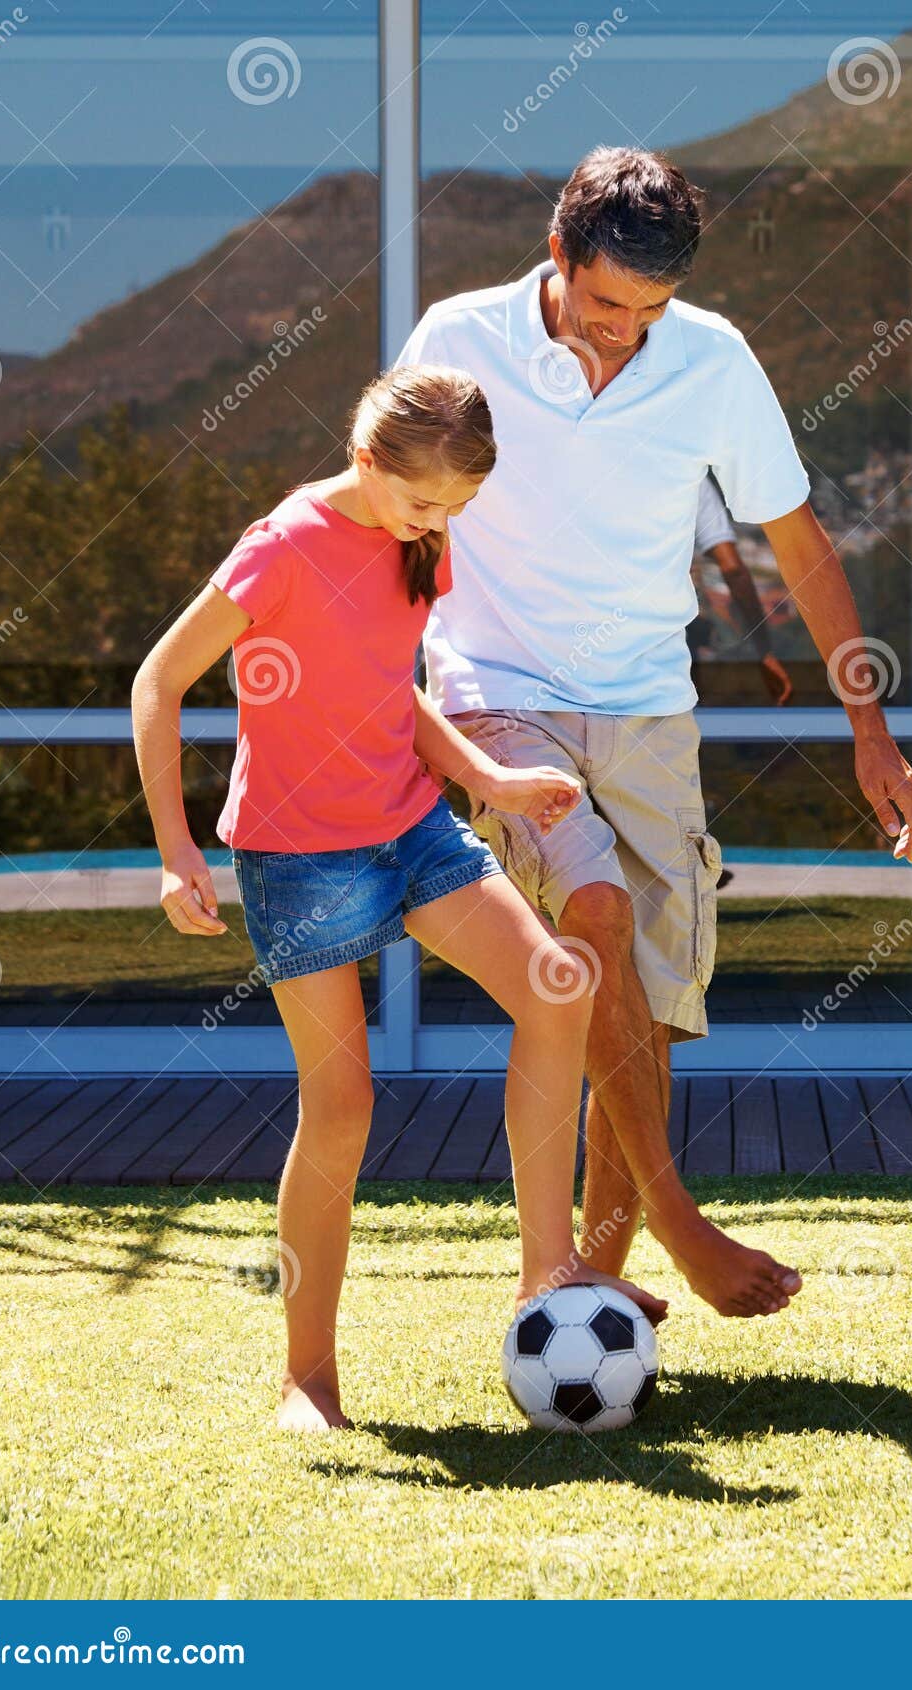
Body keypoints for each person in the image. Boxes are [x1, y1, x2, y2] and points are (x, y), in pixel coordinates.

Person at [398, 146, 912, 1320]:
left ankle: (592, 1277)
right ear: (557, 252)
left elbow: (799, 545)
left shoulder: (712, 359)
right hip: (498, 689)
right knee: (594, 909)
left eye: (648, 311)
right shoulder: (458, 338)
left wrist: (870, 731)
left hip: (647, 705)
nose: (621, 334)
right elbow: (392, 517)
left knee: (642, 1005)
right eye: (604, 305)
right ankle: (681, 1224)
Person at [131, 365, 666, 1433]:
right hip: (300, 857)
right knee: (342, 1107)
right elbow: (158, 680)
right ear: (365, 458)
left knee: (557, 986)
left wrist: (488, 779)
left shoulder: (417, 535)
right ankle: (308, 1378)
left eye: (455, 507)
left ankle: (547, 1270)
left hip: (411, 826)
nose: (437, 522)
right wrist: (175, 849)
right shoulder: (281, 547)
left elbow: (390, 687)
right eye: (423, 501)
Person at [687, 471, 793, 707]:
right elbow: (733, 569)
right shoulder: (689, 474)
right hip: (672, 655)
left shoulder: (600, 468)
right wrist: (764, 651)